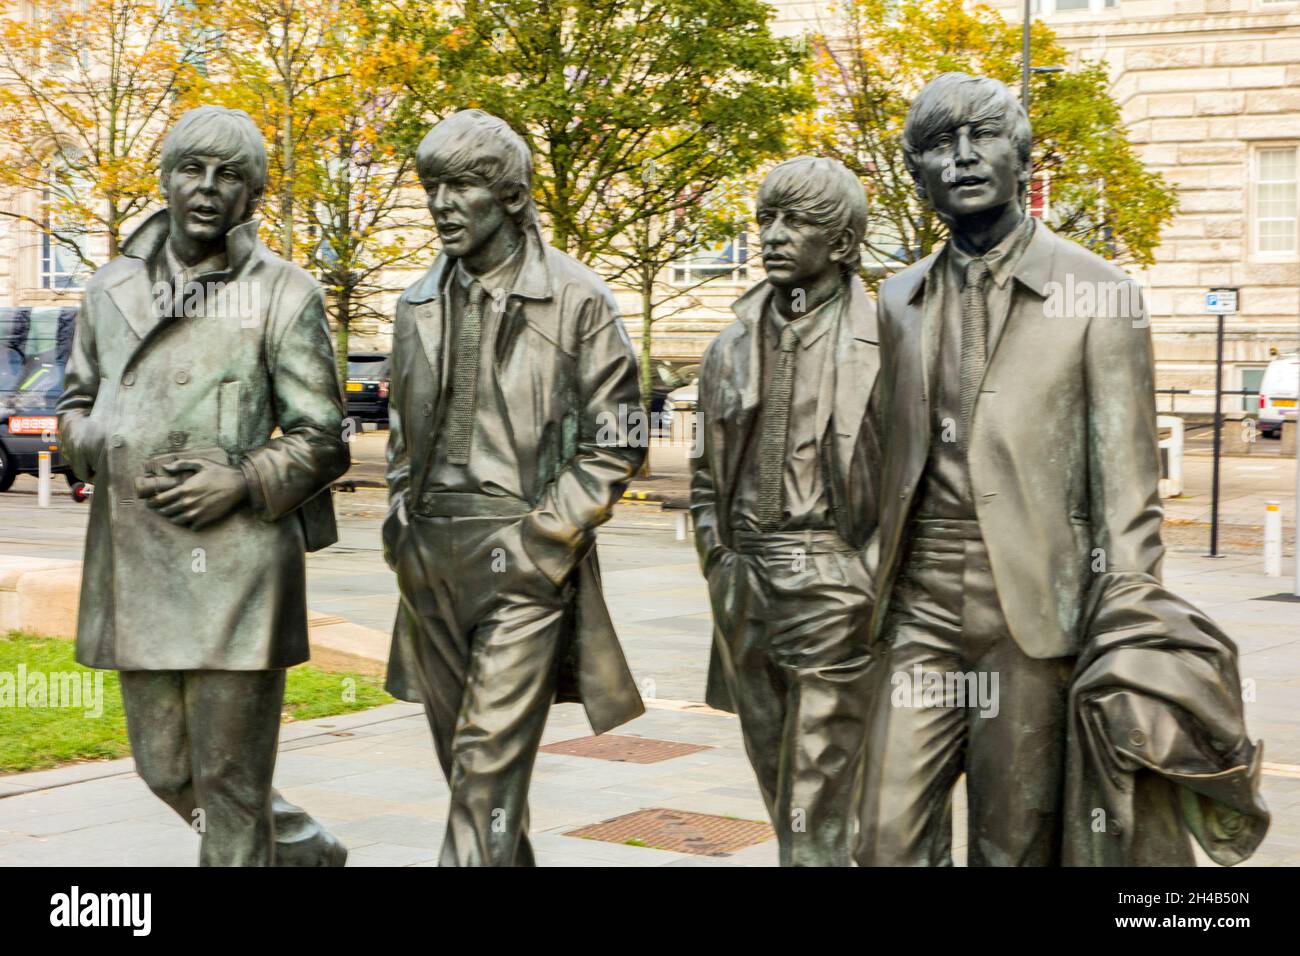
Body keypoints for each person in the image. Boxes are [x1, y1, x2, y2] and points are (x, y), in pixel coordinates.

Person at [57, 106, 350, 866]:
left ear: (252, 196)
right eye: (193, 169)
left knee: (228, 783)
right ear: (166, 177)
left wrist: (244, 479)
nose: (209, 189)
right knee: (165, 768)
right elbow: (75, 401)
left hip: (239, 568)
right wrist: (89, 438)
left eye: (231, 176)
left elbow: (325, 437)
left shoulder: (285, 293)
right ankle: (305, 851)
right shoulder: (110, 288)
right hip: (139, 563)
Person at [382, 109, 645, 866]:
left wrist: (546, 538)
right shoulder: (414, 303)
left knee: (483, 773)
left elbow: (616, 437)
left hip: (522, 559)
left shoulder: (578, 299)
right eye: (433, 186)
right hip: (429, 558)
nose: (440, 204)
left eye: (461, 186)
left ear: (510, 196)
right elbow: (403, 429)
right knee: (472, 777)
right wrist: (400, 517)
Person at [690, 157, 880, 866]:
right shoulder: (729, 346)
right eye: (765, 217)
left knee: (811, 803)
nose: (772, 235)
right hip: (747, 590)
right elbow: (707, 477)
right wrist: (719, 565)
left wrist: (864, 577)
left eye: (795, 221)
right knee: (789, 801)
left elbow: (913, 483)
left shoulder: (889, 343)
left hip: (836, 587)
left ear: (843, 245)